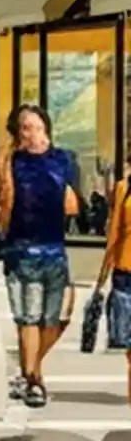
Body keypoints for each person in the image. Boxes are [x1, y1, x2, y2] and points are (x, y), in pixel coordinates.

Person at [0, 104, 77, 408]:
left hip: (55, 247)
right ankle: (32, 379)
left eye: (37, 127)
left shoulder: (63, 159)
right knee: (28, 317)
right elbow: (3, 200)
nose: (32, 134)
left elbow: (73, 204)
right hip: (21, 247)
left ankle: (30, 368)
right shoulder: (11, 161)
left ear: (47, 129)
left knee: (59, 316)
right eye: (25, 128)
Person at [93, 169, 131, 404]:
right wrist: (102, 276)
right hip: (126, 270)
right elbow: (114, 232)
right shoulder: (123, 188)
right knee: (128, 340)